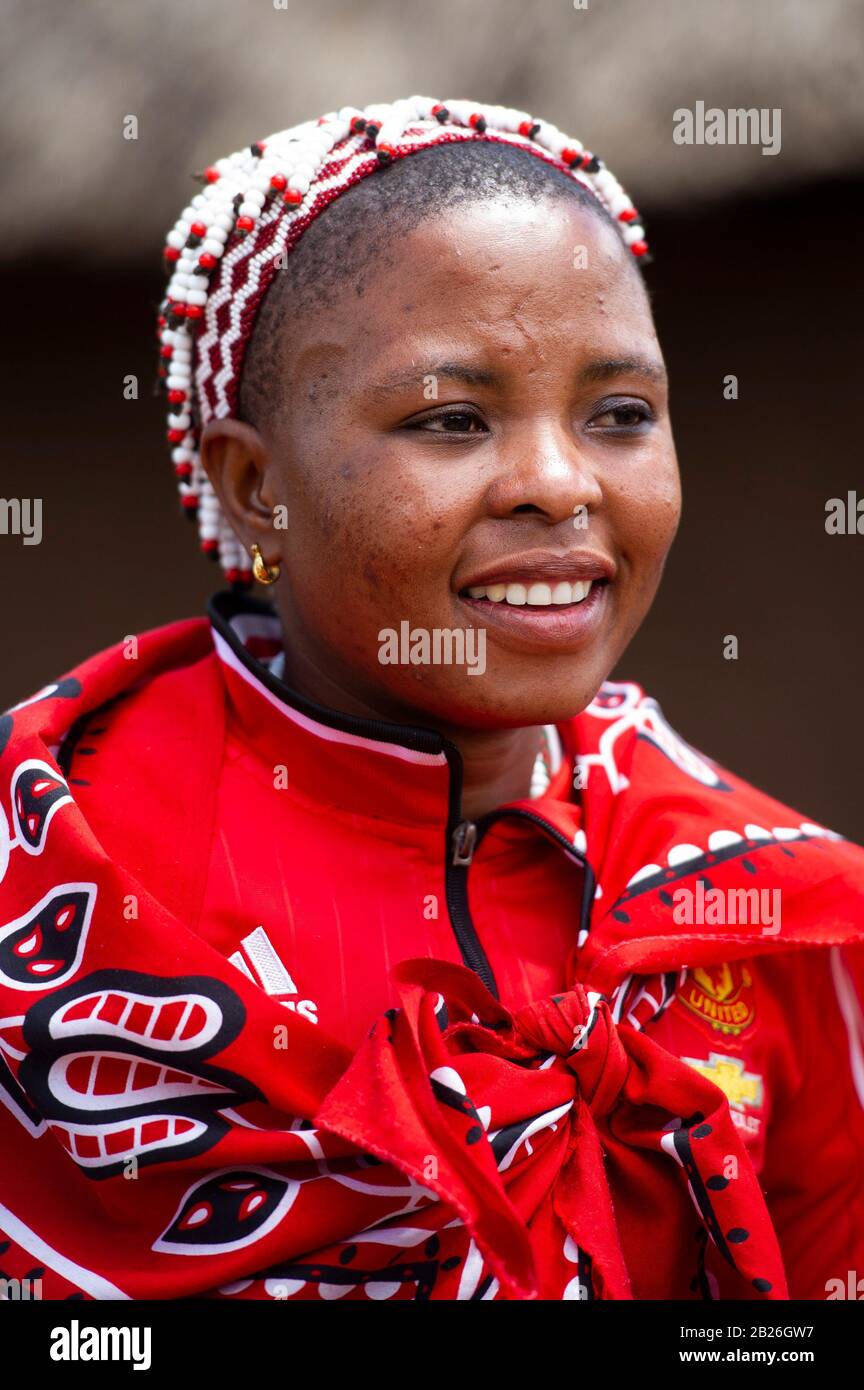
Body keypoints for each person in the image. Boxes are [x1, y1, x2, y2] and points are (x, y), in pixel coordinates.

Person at [1, 95, 862, 1303]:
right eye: (450, 419)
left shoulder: (768, 905)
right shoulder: (61, 876)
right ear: (256, 488)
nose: (558, 485)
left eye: (620, 414)